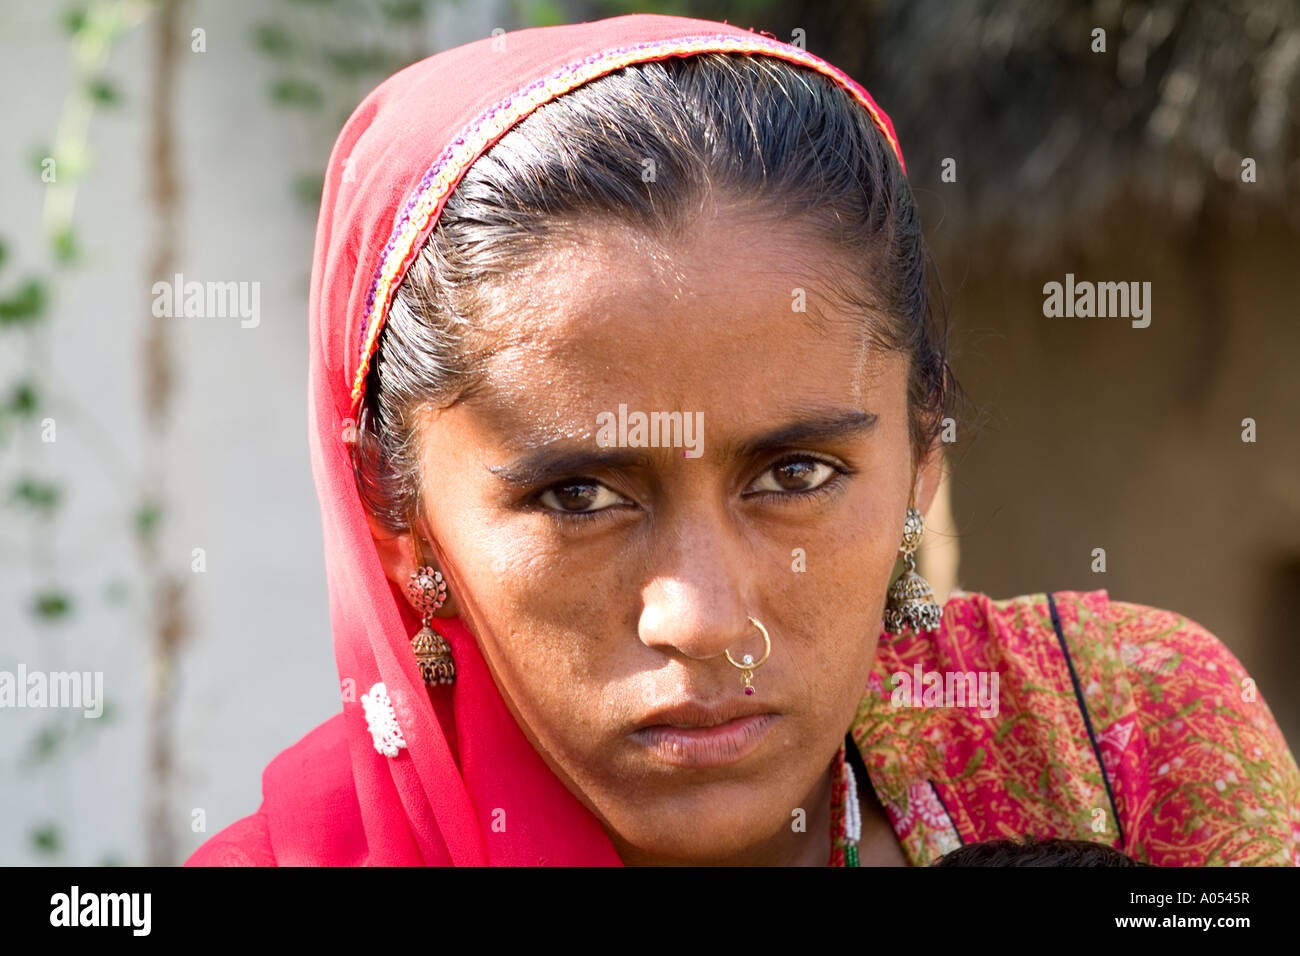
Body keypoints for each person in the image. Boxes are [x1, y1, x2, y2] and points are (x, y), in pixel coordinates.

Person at [186, 13, 1300, 866]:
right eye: (580, 494)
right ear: (402, 521)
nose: (706, 619)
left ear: (922, 463)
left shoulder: (1124, 749)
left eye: (795, 472)